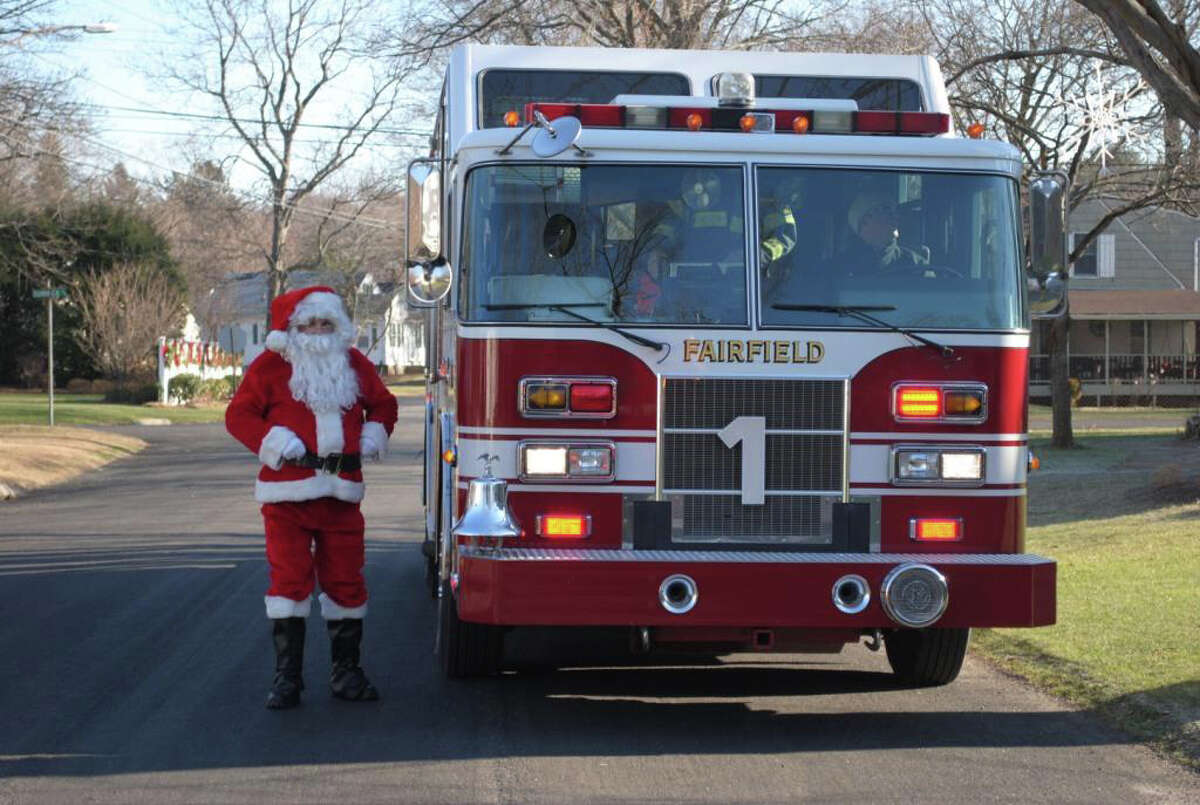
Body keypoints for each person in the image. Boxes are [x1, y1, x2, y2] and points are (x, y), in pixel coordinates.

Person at [225, 285, 398, 710]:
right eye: (309, 323)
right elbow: (238, 415)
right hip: (287, 497)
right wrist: (272, 440)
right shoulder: (269, 366)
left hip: (342, 495)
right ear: (292, 329)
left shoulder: (354, 363)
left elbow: (384, 405)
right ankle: (288, 679)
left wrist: (376, 431)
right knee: (289, 582)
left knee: (347, 581)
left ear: (337, 327)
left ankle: (347, 672)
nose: (318, 331)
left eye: (326, 323)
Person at [841, 192, 928, 276]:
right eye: (887, 210)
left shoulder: (916, 267)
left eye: (895, 212)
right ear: (864, 221)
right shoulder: (838, 270)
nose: (895, 217)